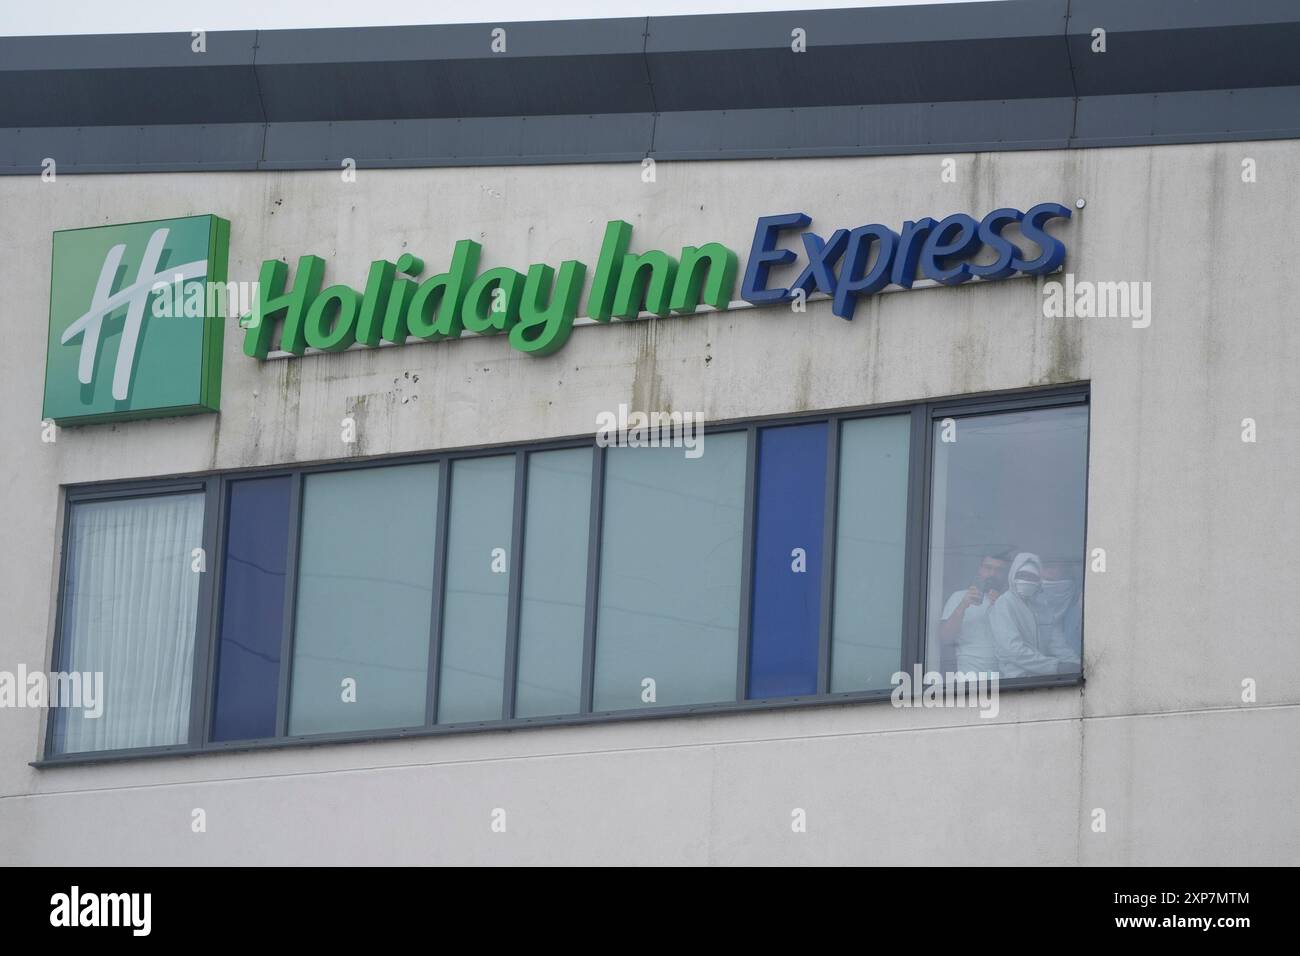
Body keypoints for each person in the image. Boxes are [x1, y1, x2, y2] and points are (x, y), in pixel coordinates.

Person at [988, 552, 1081, 677]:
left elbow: (1057, 643)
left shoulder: (1042, 606)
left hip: (1040, 678)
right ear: (1013, 575)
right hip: (1016, 681)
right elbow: (1013, 650)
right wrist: (1055, 666)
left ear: (1039, 581)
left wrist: (1078, 665)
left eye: (1032, 577)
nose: (1026, 580)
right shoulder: (1004, 603)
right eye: (1022, 575)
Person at [939, 549, 1013, 674]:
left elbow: (1020, 642)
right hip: (969, 675)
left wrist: (1001, 606)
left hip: (1006, 676)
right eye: (988, 567)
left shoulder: (1010, 601)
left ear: (1005, 574)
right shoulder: (959, 597)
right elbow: (945, 638)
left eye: (998, 570)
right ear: (980, 569)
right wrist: (963, 605)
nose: (992, 573)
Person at [1035, 557, 1083, 662]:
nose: (1049, 569)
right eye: (1046, 565)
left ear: (1064, 569)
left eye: (1054, 565)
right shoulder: (1027, 596)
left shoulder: (1079, 597)